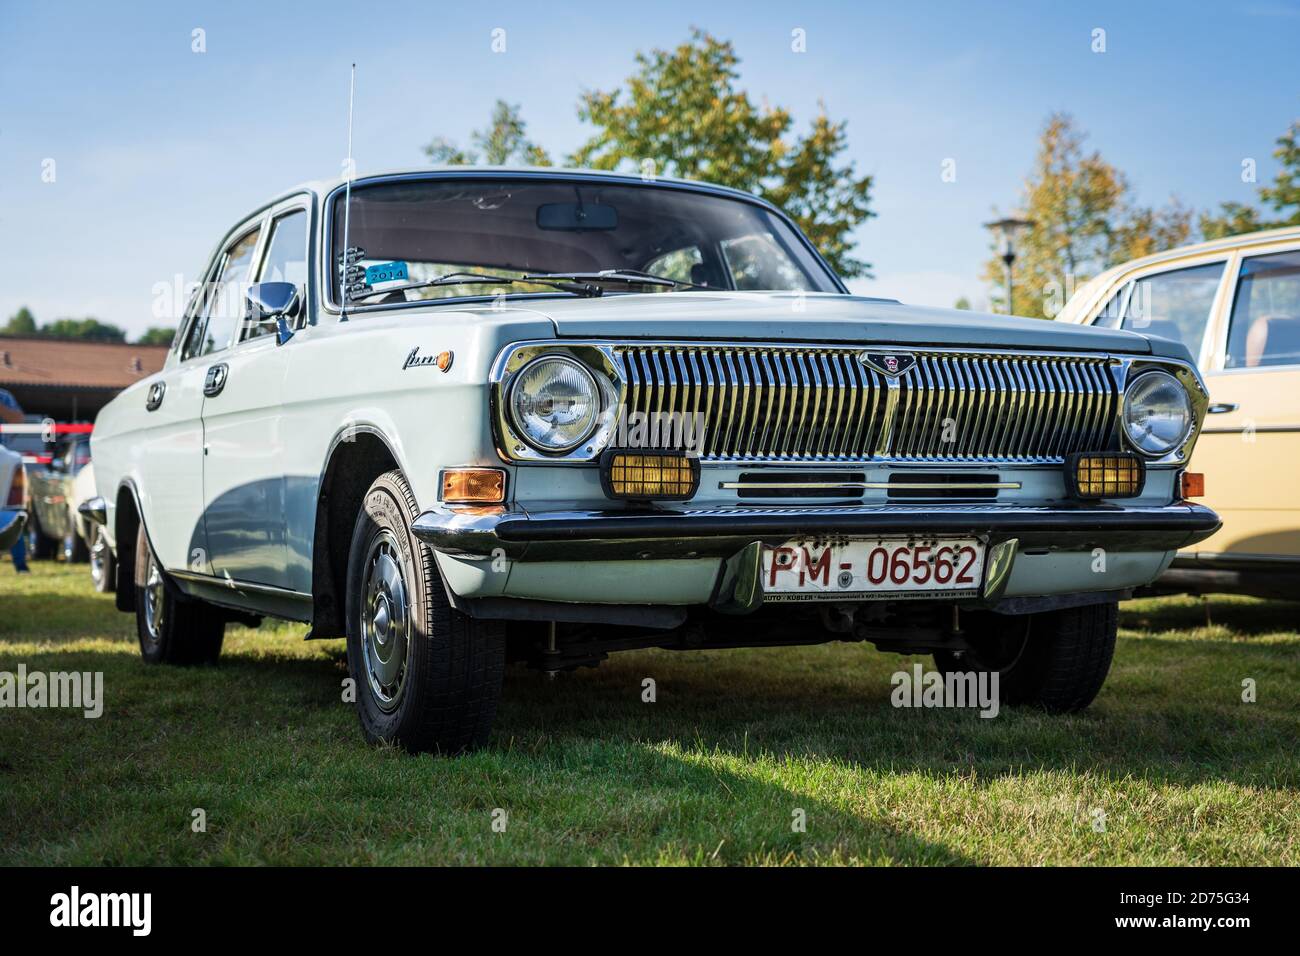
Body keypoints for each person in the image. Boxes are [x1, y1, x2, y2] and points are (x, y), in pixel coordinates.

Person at [0, 387, 31, 572]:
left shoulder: (3, 396)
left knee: (9, 512)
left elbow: (18, 421)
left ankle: (20, 564)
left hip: (2, 463)